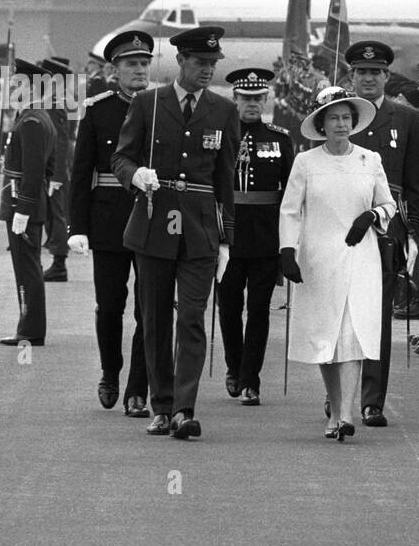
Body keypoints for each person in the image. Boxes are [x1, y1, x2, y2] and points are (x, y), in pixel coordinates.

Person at [110, 25, 239, 441]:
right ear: (180, 61)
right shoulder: (149, 103)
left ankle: (185, 409)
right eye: (200, 63)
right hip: (154, 220)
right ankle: (161, 406)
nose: (206, 70)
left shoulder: (223, 110)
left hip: (200, 228)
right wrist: (135, 176)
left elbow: (225, 180)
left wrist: (226, 238)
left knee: (192, 319)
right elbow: (121, 157)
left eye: (212, 64)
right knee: (154, 318)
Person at [279, 86, 396, 441]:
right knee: (325, 338)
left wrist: (371, 215)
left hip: (360, 255)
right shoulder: (306, 162)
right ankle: (333, 406)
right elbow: (289, 210)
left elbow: (389, 205)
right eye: (334, 119)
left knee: (353, 333)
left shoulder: (369, 159)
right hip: (318, 257)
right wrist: (287, 249)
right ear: (322, 124)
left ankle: (346, 414)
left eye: (346, 118)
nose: (341, 125)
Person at [66, 30, 153, 417]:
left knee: (149, 308)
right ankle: (110, 372)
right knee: (110, 305)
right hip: (108, 219)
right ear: (113, 69)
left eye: (144, 63)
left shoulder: (160, 107)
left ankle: (138, 388)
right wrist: (77, 228)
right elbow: (81, 171)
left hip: (151, 216)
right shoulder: (98, 109)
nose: (139, 70)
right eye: (131, 64)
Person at [345, 40, 419, 427]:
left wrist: (414, 234)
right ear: (352, 76)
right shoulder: (338, 114)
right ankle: (339, 394)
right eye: (361, 72)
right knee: (341, 310)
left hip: (385, 228)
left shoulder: (406, 119)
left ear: (386, 76)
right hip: (341, 226)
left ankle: (372, 400)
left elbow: (415, 184)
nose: (368, 79)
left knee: (377, 313)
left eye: (375, 73)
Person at [219, 67, 293, 406]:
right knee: (229, 307)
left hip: (265, 235)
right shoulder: (220, 134)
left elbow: (290, 193)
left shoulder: (280, 138)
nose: (251, 104)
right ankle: (234, 368)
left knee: (259, 309)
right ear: (234, 99)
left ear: (266, 99)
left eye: (257, 98)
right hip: (228, 234)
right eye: (245, 98)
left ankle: (251, 379)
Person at [0, 58, 56, 347]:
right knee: (26, 267)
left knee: (27, 269)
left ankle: (30, 329)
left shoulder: (32, 120)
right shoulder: (34, 117)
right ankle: (28, 326)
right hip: (25, 201)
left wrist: (23, 210)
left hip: (24, 204)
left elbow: (34, 171)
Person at [39, 56, 75, 282]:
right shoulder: (52, 99)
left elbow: (61, 142)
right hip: (50, 168)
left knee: (57, 216)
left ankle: (59, 264)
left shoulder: (54, 102)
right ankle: (56, 259)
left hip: (54, 171)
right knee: (52, 216)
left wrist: (57, 176)